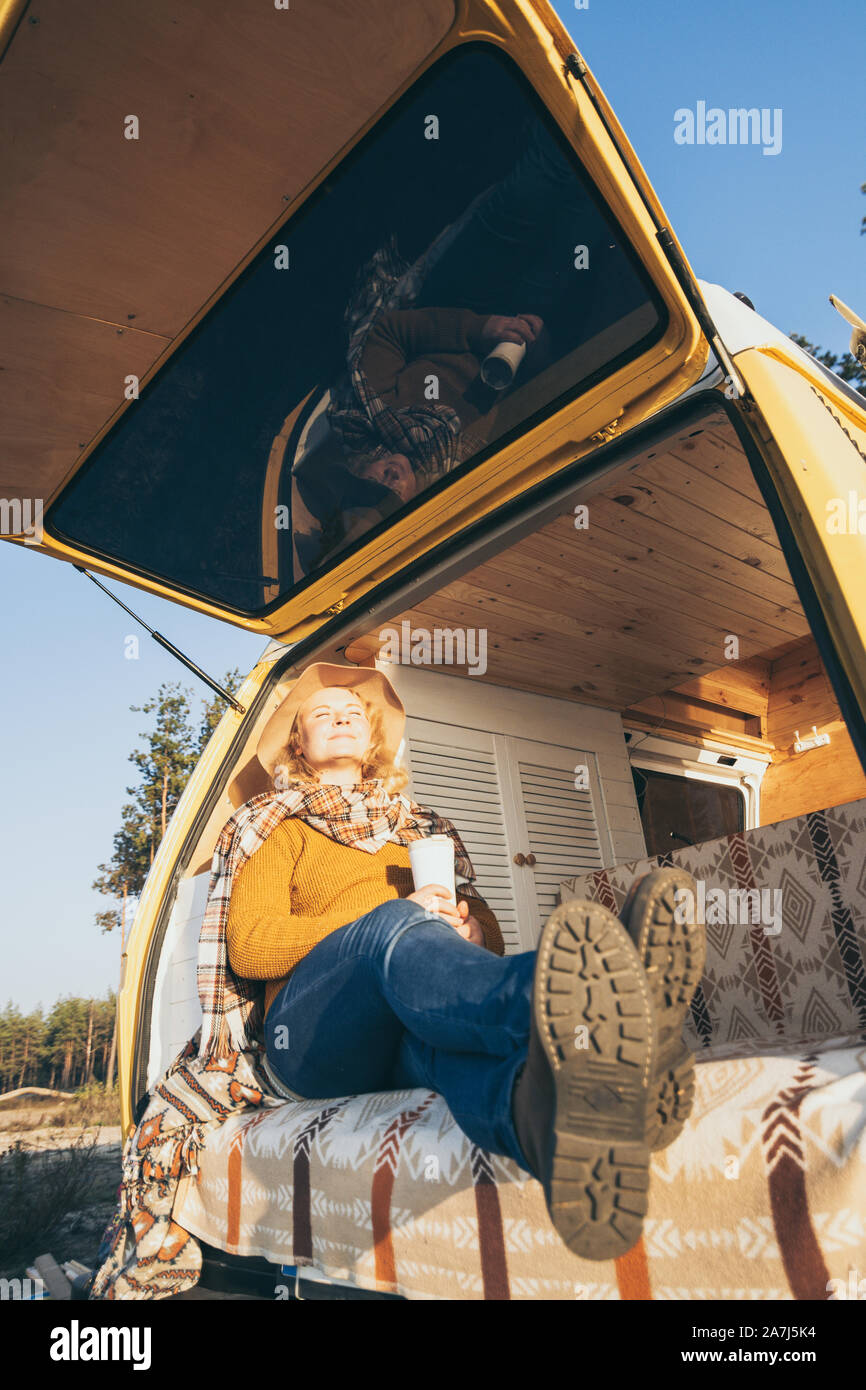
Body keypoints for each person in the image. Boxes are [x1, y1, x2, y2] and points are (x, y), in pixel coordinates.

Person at [224, 661, 705, 1262]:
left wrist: (471, 929)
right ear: (300, 743)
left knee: (443, 1051)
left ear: (373, 740)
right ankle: (576, 996)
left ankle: (560, 1125)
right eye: (322, 713)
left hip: (396, 1031)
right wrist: (389, 914)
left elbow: (489, 934)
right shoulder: (277, 829)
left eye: (352, 713)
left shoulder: (422, 831)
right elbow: (249, 945)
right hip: (309, 1040)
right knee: (397, 921)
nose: (340, 717)